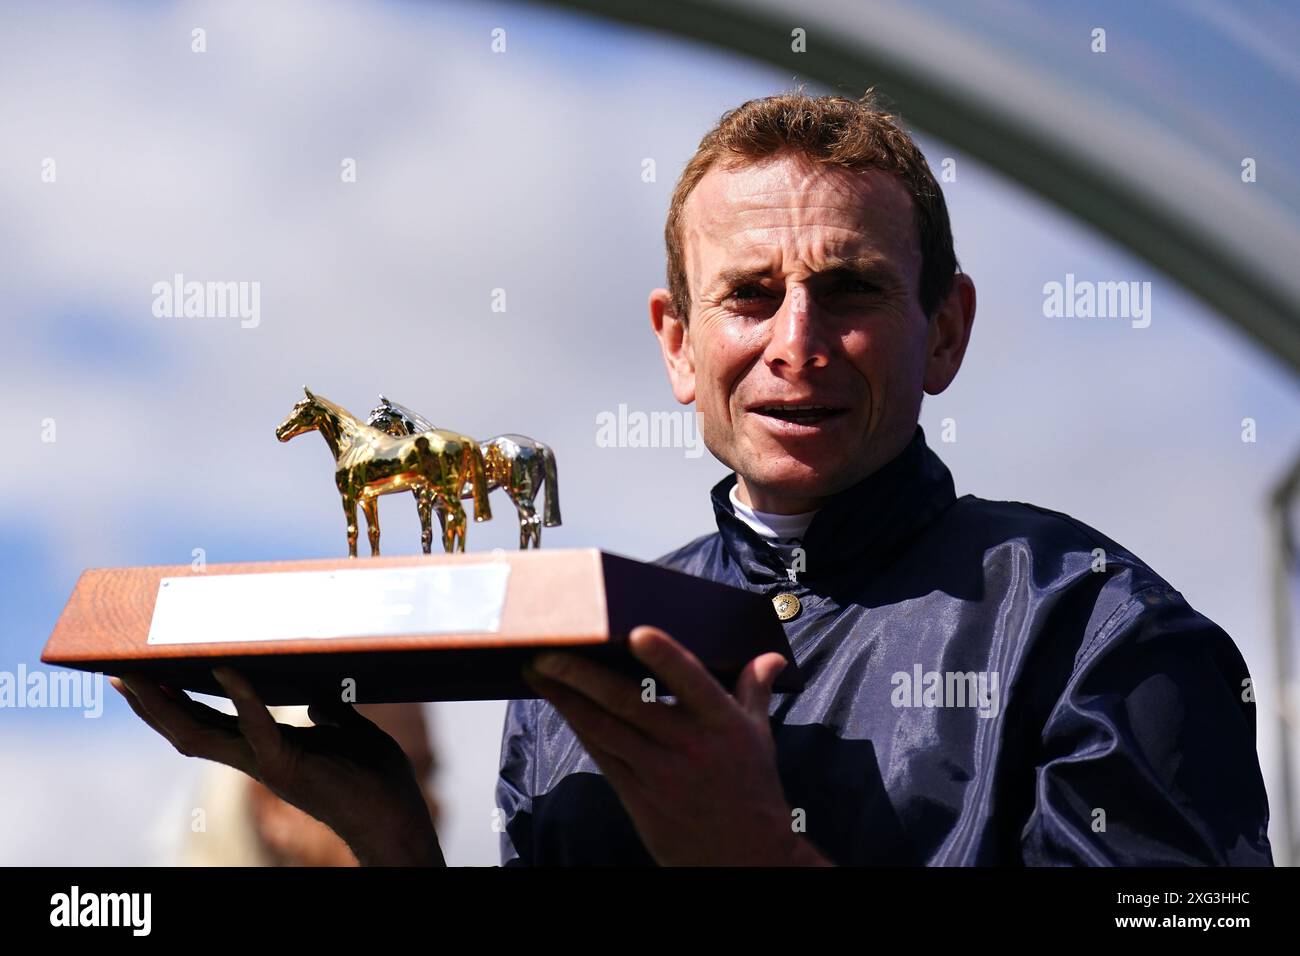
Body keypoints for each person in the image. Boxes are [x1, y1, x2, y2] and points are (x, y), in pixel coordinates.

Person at [113, 90, 1273, 867]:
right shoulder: (565, 672)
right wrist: (393, 838)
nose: (797, 340)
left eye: (854, 288)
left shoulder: (1102, 637)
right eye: (751, 293)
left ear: (946, 329)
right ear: (676, 341)